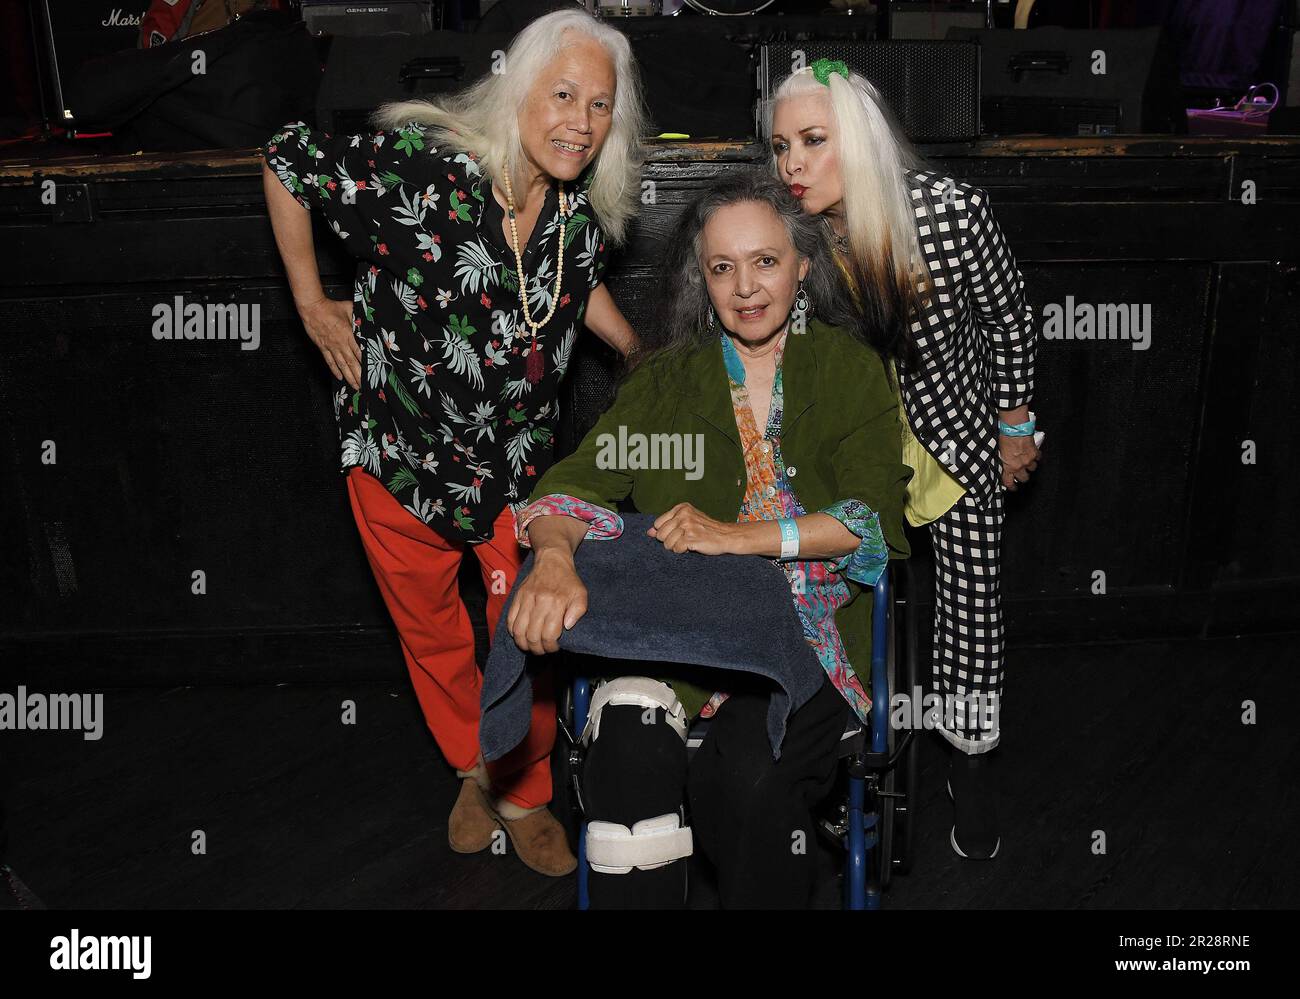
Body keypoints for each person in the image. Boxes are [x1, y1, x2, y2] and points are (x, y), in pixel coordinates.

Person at [259, 7, 648, 876]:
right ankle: (474, 770)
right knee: (433, 633)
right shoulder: (423, 172)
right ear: (517, 90)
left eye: (599, 105)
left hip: (515, 474)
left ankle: (527, 787)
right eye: (562, 95)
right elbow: (287, 159)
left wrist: (633, 351)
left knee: (532, 629)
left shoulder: (578, 208)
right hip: (398, 460)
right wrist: (310, 299)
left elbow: (569, 288)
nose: (581, 123)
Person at [505, 169, 911, 907]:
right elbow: (576, 483)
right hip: (682, 635)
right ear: (704, 277)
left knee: (749, 780)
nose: (746, 286)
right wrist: (556, 555)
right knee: (624, 755)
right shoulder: (670, 384)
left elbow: (870, 521)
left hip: (806, 639)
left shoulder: (847, 371)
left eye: (765, 261)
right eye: (723, 267)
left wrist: (740, 535)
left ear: (803, 266)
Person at [769, 58, 1041, 859]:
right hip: (856, 452)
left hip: (954, 441)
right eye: (782, 145)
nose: (791, 165)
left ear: (858, 140)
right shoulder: (794, 237)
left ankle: (972, 757)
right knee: (834, 596)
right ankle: (833, 755)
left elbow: (1012, 321)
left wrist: (1017, 425)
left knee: (971, 610)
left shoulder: (951, 214)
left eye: (813, 142)